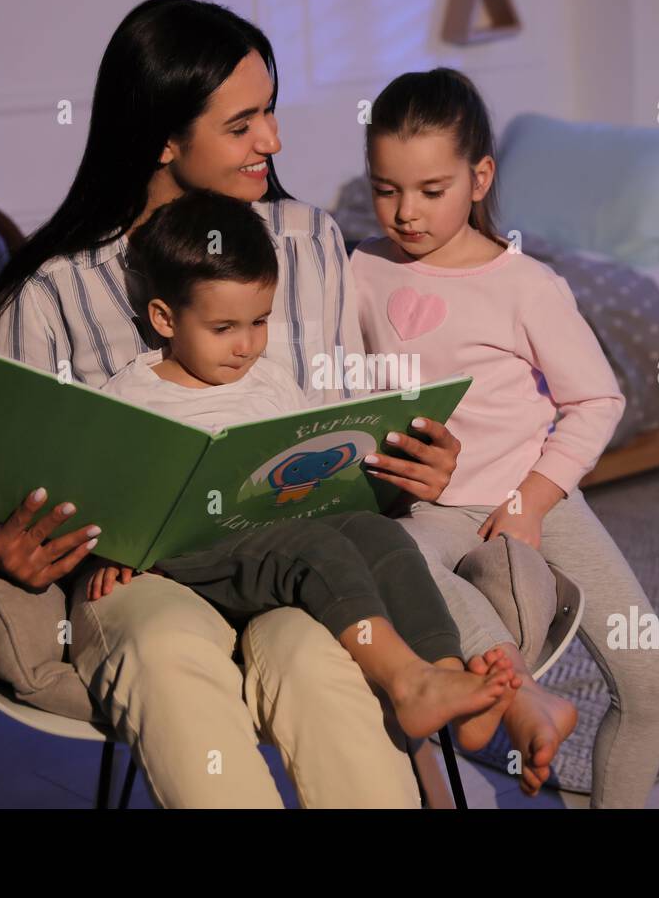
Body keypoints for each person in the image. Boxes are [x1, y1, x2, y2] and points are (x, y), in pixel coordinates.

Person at [0, 0, 466, 808]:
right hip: (139, 579)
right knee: (167, 649)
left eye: (271, 112)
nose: (274, 142)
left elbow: (338, 427)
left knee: (313, 658)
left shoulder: (308, 241)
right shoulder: (52, 292)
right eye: (243, 123)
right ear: (165, 138)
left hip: (298, 557)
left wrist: (404, 466)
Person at [350, 68, 659, 804]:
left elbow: (597, 400)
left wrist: (533, 501)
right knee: (385, 559)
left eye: (431, 191)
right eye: (385, 188)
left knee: (655, 680)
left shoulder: (527, 284)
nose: (406, 213)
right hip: (427, 514)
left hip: (537, 503)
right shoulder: (360, 270)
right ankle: (514, 692)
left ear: (480, 177)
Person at [85, 188, 520, 743]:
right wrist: (115, 549)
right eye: (223, 329)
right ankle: (405, 681)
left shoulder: (267, 378)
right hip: (194, 556)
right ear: (165, 318)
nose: (246, 346)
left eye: (259, 321)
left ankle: (449, 676)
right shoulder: (135, 394)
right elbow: (106, 485)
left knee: (374, 532)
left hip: (277, 533)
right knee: (317, 549)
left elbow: (298, 455)